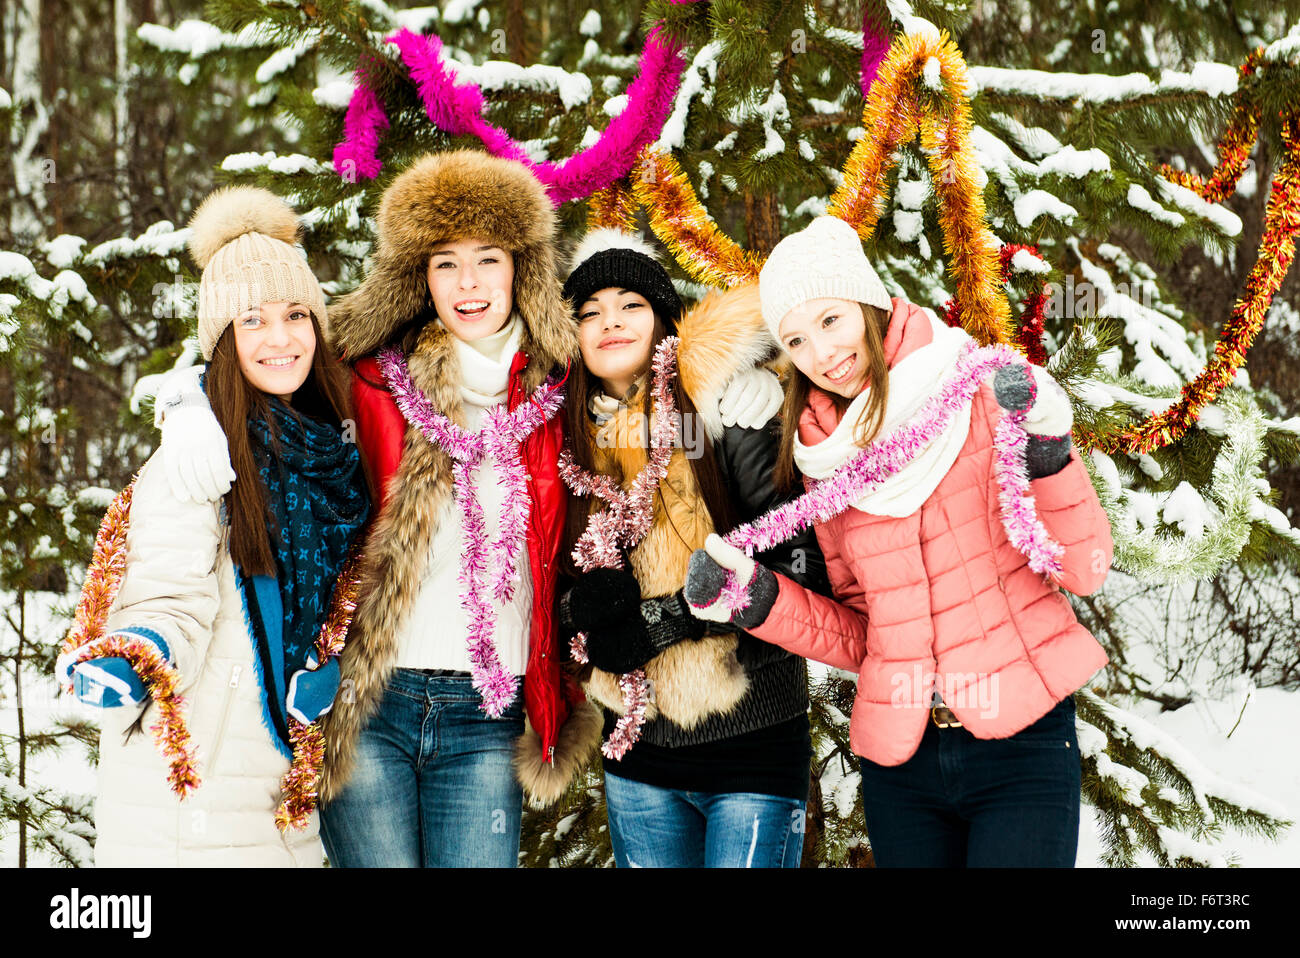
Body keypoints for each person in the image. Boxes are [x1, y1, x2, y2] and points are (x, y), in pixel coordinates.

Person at [683, 215, 1113, 867]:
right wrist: (755, 600)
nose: (821, 353)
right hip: (903, 767)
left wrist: (1051, 445)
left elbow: (1084, 568)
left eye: (831, 320)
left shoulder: (977, 390)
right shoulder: (822, 458)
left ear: (869, 301)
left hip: (1019, 745)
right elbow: (865, 635)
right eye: (795, 339)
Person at [58, 186, 370, 866]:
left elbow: (338, 602)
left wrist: (325, 668)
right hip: (189, 790)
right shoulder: (196, 457)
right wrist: (135, 654)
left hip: (282, 794)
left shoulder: (334, 455)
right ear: (223, 338)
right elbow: (169, 593)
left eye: (296, 315)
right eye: (252, 320)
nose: (281, 337)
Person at [557, 229, 830, 868]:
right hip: (639, 758)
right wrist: (584, 616)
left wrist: (669, 618)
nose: (610, 323)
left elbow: (803, 567)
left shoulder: (726, 409)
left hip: (750, 745)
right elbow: (549, 588)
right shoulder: (568, 439)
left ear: (662, 316)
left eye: (629, 304)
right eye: (590, 311)